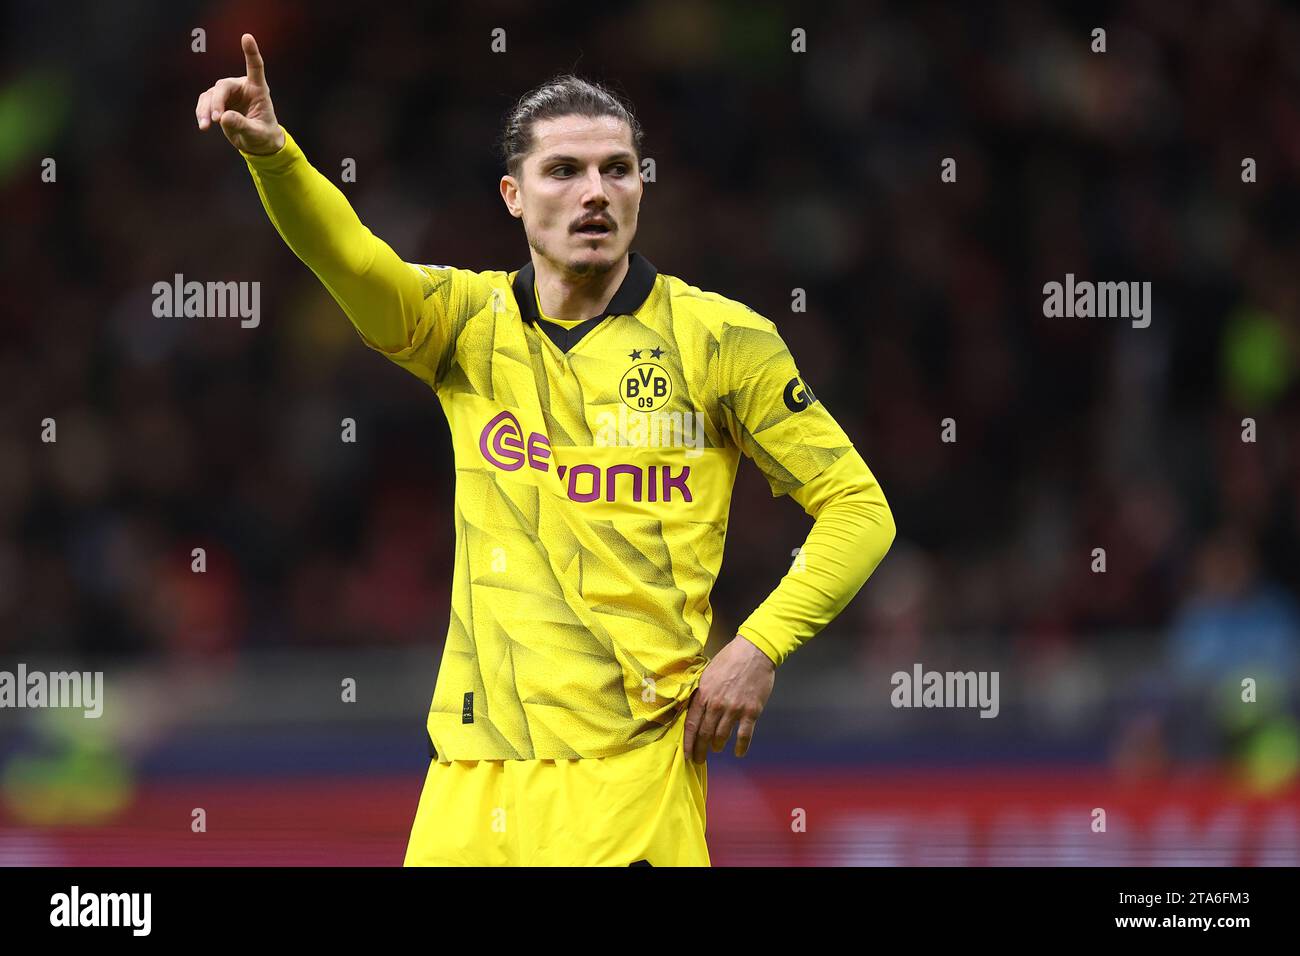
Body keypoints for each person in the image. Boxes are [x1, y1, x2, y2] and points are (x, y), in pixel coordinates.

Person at [196, 34, 896, 866]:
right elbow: (352, 261)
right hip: (470, 777)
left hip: (631, 775)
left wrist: (759, 646)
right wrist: (276, 159)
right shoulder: (463, 325)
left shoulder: (723, 341)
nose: (595, 192)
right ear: (514, 195)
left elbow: (860, 510)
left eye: (617, 169)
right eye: (564, 170)